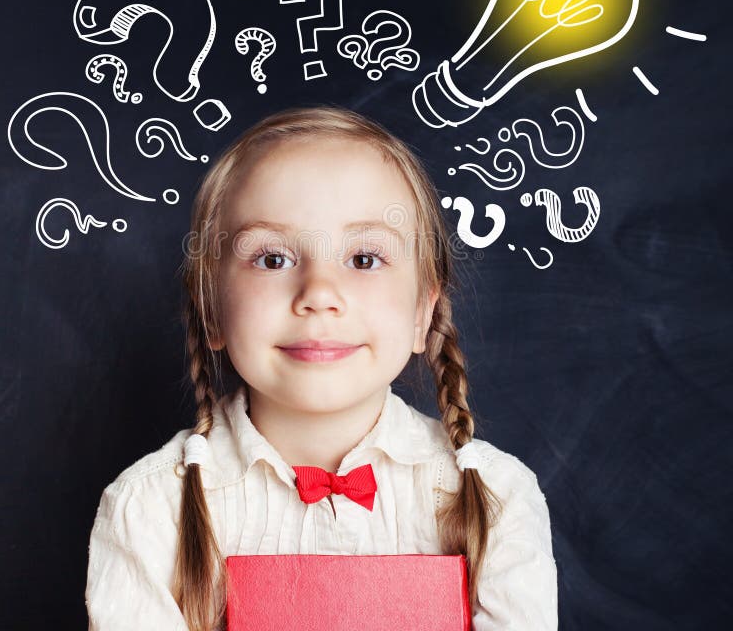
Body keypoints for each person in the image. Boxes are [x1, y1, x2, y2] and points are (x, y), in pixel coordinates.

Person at [85, 105, 558, 630]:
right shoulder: (148, 510)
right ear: (213, 311)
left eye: (364, 259)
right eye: (272, 259)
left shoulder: (499, 498)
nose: (319, 295)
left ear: (422, 313)